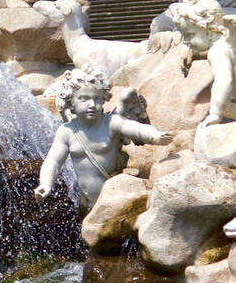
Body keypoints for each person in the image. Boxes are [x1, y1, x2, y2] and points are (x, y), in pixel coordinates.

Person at [35, 66, 170, 214]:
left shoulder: (112, 122)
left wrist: (155, 135)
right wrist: (45, 184)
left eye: (97, 99)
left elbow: (135, 128)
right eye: (84, 99)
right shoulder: (67, 131)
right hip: (87, 204)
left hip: (114, 201)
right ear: (71, 101)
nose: (92, 105)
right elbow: (53, 162)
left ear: (103, 99)